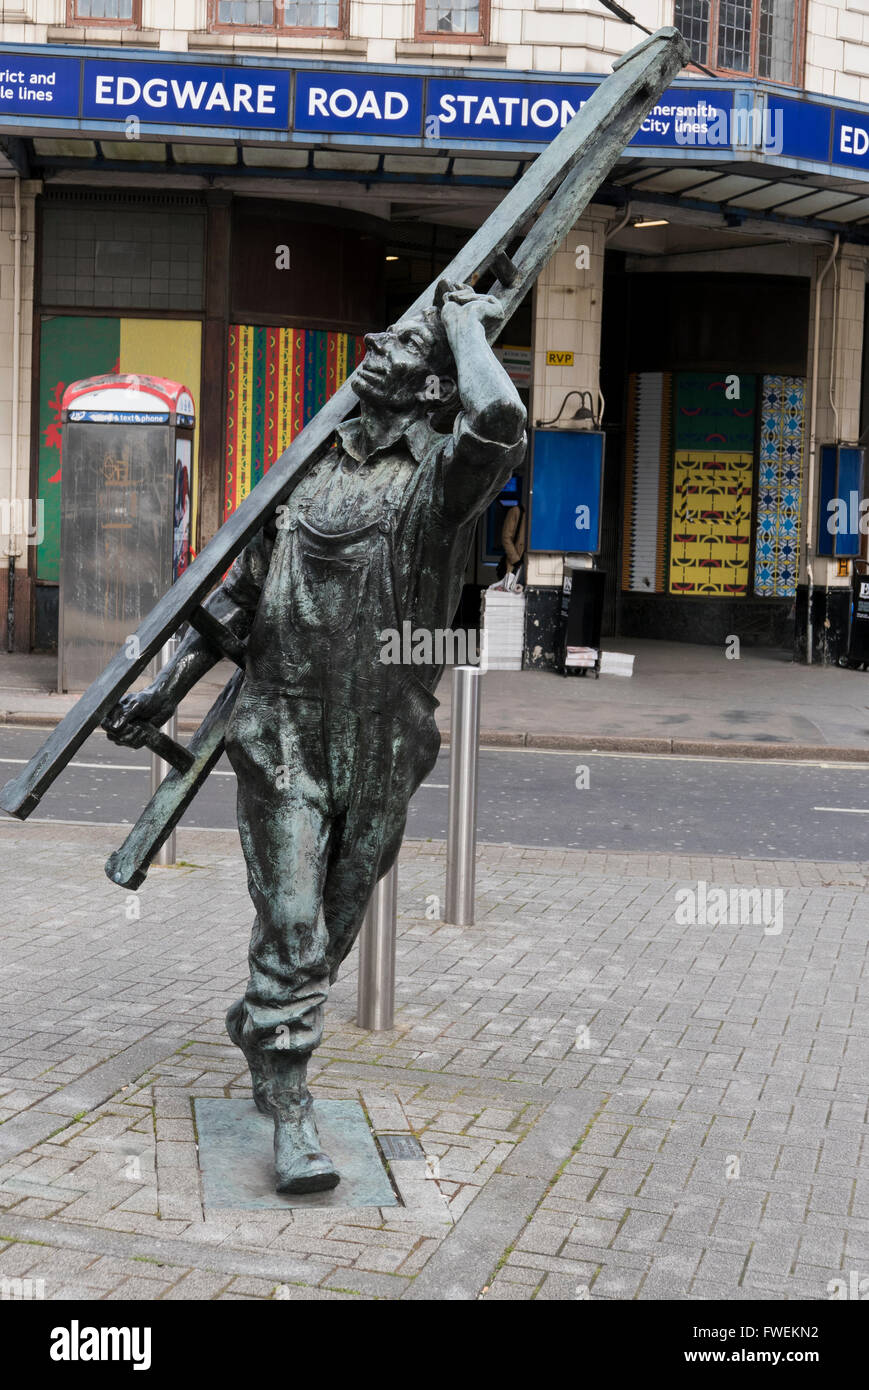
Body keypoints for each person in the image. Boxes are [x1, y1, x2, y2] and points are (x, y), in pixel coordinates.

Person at [102, 281, 526, 1194]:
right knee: (293, 924)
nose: (377, 343)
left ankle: (263, 1019)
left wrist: (459, 321)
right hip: (282, 727)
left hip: (382, 739)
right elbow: (233, 601)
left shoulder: (438, 484)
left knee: (333, 924)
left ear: (429, 386)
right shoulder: (306, 471)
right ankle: (290, 1114)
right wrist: (165, 691)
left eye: (403, 343)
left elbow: (500, 420)